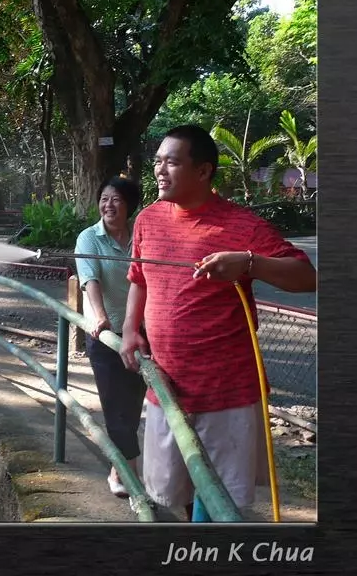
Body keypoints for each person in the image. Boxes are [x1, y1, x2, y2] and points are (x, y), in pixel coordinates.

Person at [119, 124, 316, 520]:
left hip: (226, 393)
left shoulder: (242, 227)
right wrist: (129, 331)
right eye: (157, 161)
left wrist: (248, 262)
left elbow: (306, 276)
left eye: (172, 162)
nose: (159, 170)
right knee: (179, 491)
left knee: (219, 500)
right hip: (167, 386)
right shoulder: (147, 220)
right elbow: (139, 280)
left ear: (203, 171)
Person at [74, 176, 147, 500]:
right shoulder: (89, 238)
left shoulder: (142, 238)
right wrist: (100, 316)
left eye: (116, 199)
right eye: (104, 198)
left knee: (132, 408)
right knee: (116, 408)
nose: (109, 205)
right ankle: (130, 476)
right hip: (105, 336)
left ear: (130, 205)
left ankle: (119, 468)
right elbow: (90, 278)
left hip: (142, 334)